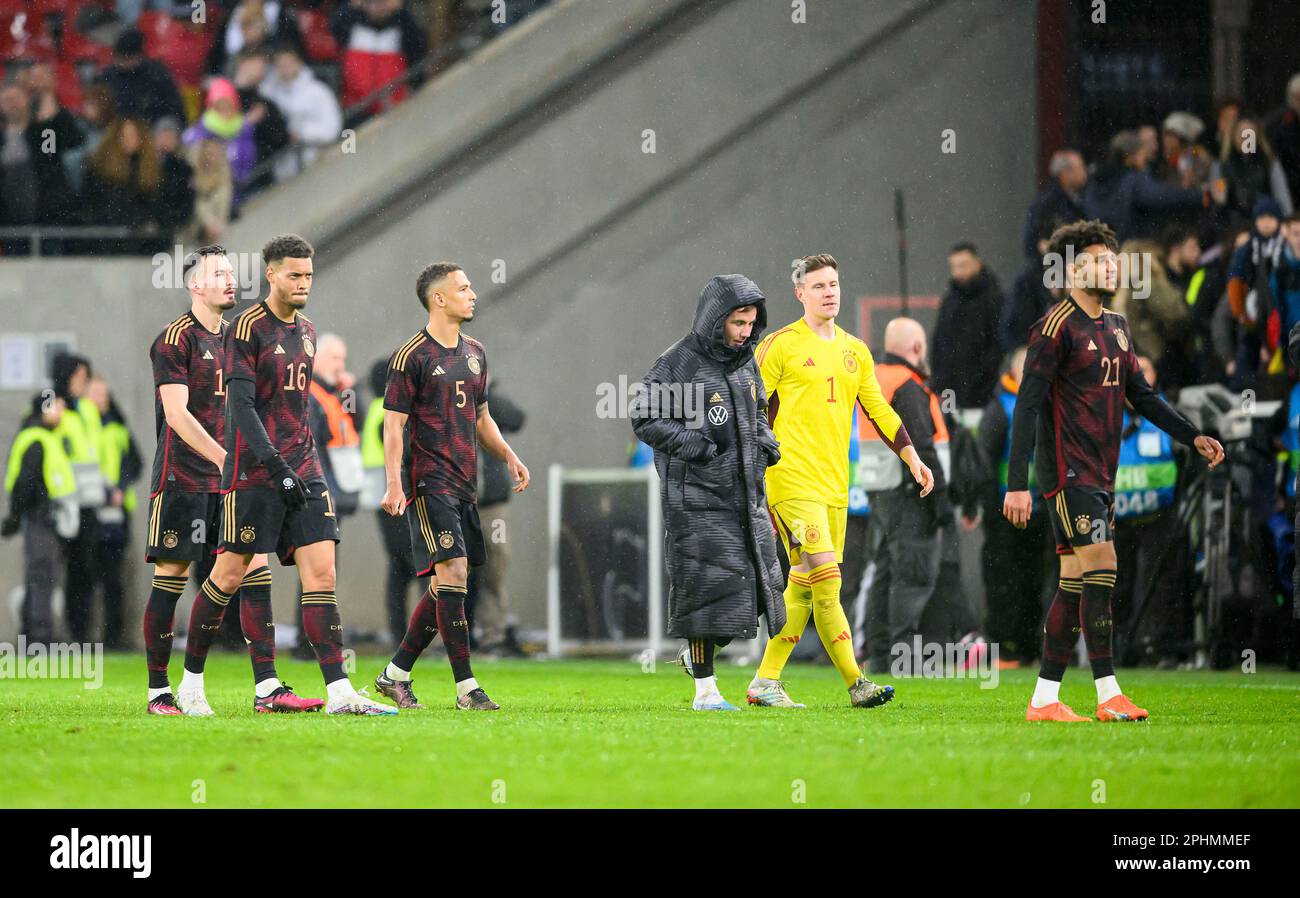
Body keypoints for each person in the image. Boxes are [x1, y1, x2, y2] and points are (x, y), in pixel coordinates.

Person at [1003, 219, 1225, 723]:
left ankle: (1043, 700)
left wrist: (1192, 434)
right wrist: (1019, 484)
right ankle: (1108, 694)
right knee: (1104, 566)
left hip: (1102, 475)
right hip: (1068, 473)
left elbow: (1143, 397)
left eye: (1111, 259)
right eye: (1097, 261)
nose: (1110, 267)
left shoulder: (1119, 329)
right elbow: (1027, 408)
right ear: (1069, 271)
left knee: (1075, 582)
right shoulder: (1055, 326)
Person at [196, 234, 394, 715]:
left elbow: (295, 409)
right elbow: (241, 407)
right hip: (253, 473)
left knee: (322, 574)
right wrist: (274, 466)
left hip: (304, 470)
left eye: (308, 275)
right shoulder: (245, 328)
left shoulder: (307, 331)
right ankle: (187, 683)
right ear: (271, 274)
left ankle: (340, 692)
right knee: (229, 572)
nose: (304, 283)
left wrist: (299, 467)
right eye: (294, 275)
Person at [746, 253, 933, 709]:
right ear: (800, 294)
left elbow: (879, 409)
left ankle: (764, 681)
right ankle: (857, 682)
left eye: (834, 284)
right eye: (819, 286)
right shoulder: (780, 345)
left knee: (806, 587)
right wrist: (748, 465)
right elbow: (747, 403)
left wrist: (912, 457)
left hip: (834, 486)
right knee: (827, 579)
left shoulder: (854, 350)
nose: (829, 292)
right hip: (789, 480)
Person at [143, 246, 305, 715]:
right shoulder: (173, 340)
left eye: (232, 273)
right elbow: (176, 414)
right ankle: (159, 692)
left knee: (255, 569)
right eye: (219, 274)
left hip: (235, 482)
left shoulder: (242, 336)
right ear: (195, 284)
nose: (231, 281)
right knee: (171, 576)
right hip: (183, 480)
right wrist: (222, 455)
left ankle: (268, 687)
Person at [373, 262, 530, 710]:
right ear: (438, 298)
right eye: (463, 288)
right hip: (429, 481)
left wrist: (509, 456)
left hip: (467, 483)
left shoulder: (476, 352)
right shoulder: (411, 356)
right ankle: (467, 688)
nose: (473, 294)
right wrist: (393, 484)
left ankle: (394, 674)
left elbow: (482, 418)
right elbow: (393, 425)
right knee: (455, 573)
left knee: (447, 584)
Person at [631, 275, 786, 711]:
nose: (745, 332)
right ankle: (706, 692)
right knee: (705, 595)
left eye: (751, 323)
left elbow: (757, 412)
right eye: (738, 322)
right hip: (696, 502)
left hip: (744, 498)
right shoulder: (678, 363)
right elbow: (644, 417)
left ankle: (694, 660)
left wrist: (765, 444)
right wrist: (697, 448)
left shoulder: (745, 361)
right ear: (715, 319)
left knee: (759, 589)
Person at [861, 318, 951, 673]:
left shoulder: (876, 377)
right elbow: (923, 448)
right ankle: (902, 658)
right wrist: (941, 501)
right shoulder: (909, 386)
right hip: (912, 493)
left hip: (881, 491)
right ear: (916, 347)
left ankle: (881, 655)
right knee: (912, 574)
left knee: (885, 572)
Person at [966, 347, 1048, 666]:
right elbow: (983, 463)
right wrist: (984, 507)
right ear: (1014, 373)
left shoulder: (1047, 404)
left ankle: (1030, 646)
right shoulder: (999, 409)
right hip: (1004, 515)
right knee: (1003, 580)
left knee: (1034, 581)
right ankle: (1004, 646)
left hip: (1041, 512)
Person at [1111, 356, 1186, 667]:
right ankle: (1119, 648)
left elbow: (1184, 460)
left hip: (1159, 516)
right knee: (1118, 584)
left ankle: (1160, 647)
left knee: (1161, 583)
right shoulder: (1106, 414)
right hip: (1117, 517)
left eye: (1144, 372)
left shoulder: (1167, 413)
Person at [2, 393, 76, 647]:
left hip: (40, 518)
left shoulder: (42, 436)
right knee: (42, 575)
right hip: (40, 518)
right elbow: (26, 484)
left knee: (38, 575)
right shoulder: (37, 439)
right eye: (57, 407)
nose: (62, 412)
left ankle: (31, 635)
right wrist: (20, 513)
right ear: (44, 409)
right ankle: (39, 639)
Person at [361, 358, 422, 646]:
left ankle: (400, 633)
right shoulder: (387, 413)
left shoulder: (375, 410)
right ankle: (409, 635)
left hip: (383, 499)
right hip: (393, 499)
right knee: (411, 562)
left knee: (399, 568)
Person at [85, 375, 142, 650]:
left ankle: (114, 637)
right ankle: (84, 635)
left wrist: (119, 487)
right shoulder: (81, 428)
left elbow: (135, 462)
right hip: (90, 510)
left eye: (103, 393)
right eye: (95, 393)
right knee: (86, 575)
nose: (101, 399)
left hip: (117, 513)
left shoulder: (117, 427)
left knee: (114, 578)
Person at [470, 378, 526, 655]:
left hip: (492, 503)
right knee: (450, 570)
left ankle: (494, 635)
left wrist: (485, 394)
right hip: (458, 498)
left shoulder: (487, 400)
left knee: (496, 565)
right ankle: (444, 640)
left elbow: (516, 419)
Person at [50, 354, 101, 644]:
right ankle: (63, 632)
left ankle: (82, 632)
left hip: (90, 503)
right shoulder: (53, 406)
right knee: (63, 572)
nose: (85, 382)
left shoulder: (88, 410)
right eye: (81, 376)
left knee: (86, 572)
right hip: (66, 504)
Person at [1083, 130, 1210, 243]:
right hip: (1131, 249)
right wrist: (1197, 196)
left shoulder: (1095, 181)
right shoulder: (1133, 180)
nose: (1145, 159)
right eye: (1142, 154)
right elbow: (1161, 197)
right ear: (1131, 156)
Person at [930, 242, 1005, 409]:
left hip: (982, 393)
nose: (958, 272)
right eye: (954, 267)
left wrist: (981, 380)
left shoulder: (994, 299)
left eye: (963, 265)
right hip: (949, 391)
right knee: (949, 431)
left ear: (977, 263)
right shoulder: (949, 300)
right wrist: (939, 382)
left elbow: (997, 345)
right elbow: (939, 342)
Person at [258, 43, 342, 182]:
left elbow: (332, 128)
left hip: (317, 161)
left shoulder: (318, 92)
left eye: (288, 63)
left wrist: (302, 134)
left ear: (298, 63)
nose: (285, 68)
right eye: (280, 65)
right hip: (285, 171)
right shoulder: (271, 95)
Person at [96, 28, 185, 125]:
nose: (121, 63)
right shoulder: (108, 76)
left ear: (138, 57)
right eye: (119, 58)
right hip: (118, 126)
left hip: (151, 123)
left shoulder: (157, 74)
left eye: (126, 58)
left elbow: (172, 108)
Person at [1021, 149, 1086, 261]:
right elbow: (1032, 244)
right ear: (1065, 174)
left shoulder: (1080, 200)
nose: (1084, 172)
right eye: (1080, 167)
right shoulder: (1046, 205)